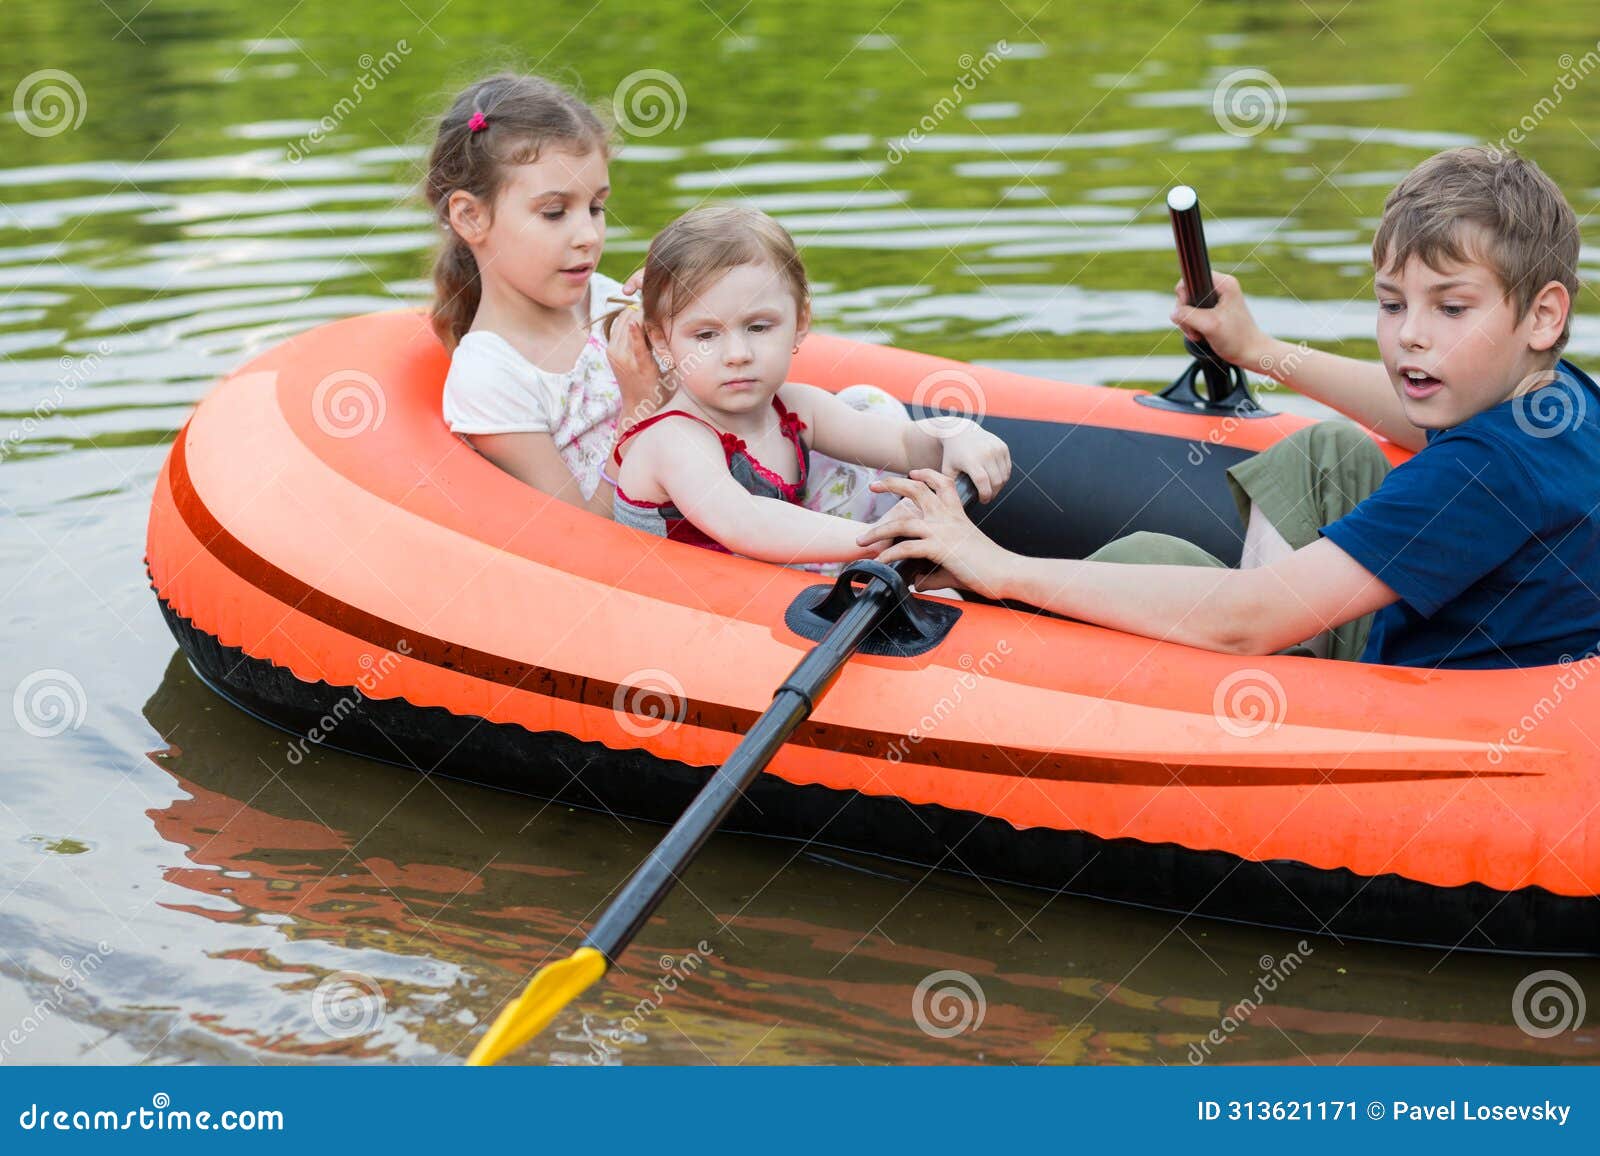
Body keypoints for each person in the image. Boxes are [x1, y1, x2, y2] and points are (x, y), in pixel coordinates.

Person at [858, 146, 1600, 669]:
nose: (1410, 334)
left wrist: (995, 567)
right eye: (1392, 302)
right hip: (1440, 633)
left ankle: (1275, 677)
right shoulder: (1559, 397)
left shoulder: (1477, 474)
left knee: (1154, 559)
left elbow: (1246, 618)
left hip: (1406, 704)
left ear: (1541, 314)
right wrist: (1256, 348)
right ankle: (1291, 651)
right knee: (1330, 451)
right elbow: (1414, 410)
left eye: (1451, 307)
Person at [612, 204, 1011, 567]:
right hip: (685, 615)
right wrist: (882, 534)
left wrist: (955, 434)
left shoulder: (797, 408)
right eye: (705, 335)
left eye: (758, 327)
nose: (737, 353)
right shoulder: (673, 438)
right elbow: (747, 522)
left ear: (801, 322)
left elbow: (904, 445)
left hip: (764, 596)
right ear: (663, 340)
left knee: (871, 403)